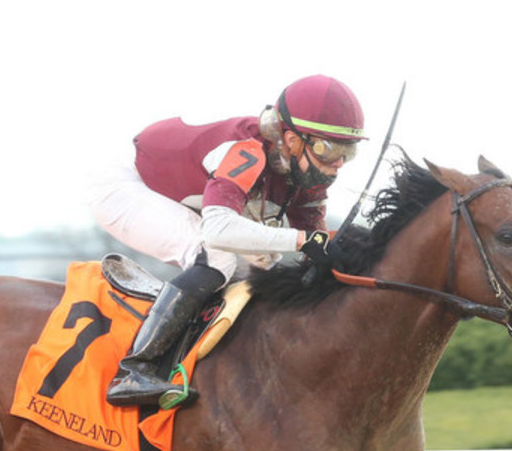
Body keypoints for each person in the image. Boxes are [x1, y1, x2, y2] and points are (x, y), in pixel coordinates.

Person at [87, 74, 366, 406]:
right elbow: (218, 230)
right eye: (328, 148)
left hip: (184, 198)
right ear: (291, 139)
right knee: (216, 259)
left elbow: (314, 248)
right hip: (127, 186)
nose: (336, 165)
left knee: (260, 268)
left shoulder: (309, 175)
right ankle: (135, 370)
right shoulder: (247, 150)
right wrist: (303, 240)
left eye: (347, 152)